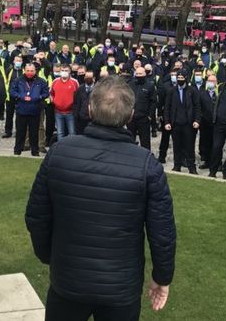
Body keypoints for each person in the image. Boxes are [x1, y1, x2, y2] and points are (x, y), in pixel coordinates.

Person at [25, 76, 176, 320]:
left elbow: (162, 232)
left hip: (102, 283)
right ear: (130, 115)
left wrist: (162, 277)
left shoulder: (145, 165)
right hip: (86, 281)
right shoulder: (61, 152)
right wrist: (48, 255)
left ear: (90, 109)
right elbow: (37, 214)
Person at [164, 70, 201, 174]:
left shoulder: (192, 91)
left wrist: (197, 120)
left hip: (188, 124)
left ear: (186, 78)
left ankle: (191, 168)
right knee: (177, 146)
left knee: (190, 146)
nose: (180, 80)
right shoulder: (171, 91)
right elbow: (167, 107)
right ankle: (177, 166)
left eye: (182, 78)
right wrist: (167, 122)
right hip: (175, 124)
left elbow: (197, 107)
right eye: (178, 78)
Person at [10, 62, 49, 156]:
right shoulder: (18, 80)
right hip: (21, 110)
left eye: (32, 71)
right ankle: (17, 151)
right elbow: (12, 91)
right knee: (20, 132)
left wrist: (39, 97)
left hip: (35, 110)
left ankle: (35, 152)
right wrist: (20, 96)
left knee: (34, 133)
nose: (30, 72)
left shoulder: (41, 81)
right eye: (28, 70)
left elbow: (46, 93)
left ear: (35, 71)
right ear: (24, 70)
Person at [127, 66, 155, 149]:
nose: (139, 75)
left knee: (145, 141)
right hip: (131, 118)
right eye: (137, 73)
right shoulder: (130, 84)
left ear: (145, 74)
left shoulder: (150, 85)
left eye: (141, 74)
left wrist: (150, 115)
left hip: (144, 118)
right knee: (130, 141)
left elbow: (153, 102)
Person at [50, 64, 79, 140]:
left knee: (72, 132)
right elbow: (51, 93)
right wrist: (53, 100)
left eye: (66, 70)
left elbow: (78, 95)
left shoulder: (74, 82)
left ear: (70, 71)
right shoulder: (55, 81)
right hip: (58, 112)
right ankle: (60, 150)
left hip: (70, 112)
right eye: (62, 70)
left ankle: (72, 150)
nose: (64, 72)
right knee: (60, 133)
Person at [197, 75, 218, 169]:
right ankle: (207, 161)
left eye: (213, 81)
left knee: (216, 144)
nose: (210, 82)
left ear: (216, 82)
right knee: (206, 143)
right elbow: (198, 107)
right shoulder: (202, 93)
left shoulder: (219, 93)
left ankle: (216, 162)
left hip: (216, 123)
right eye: (209, 80)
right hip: (205, 123)